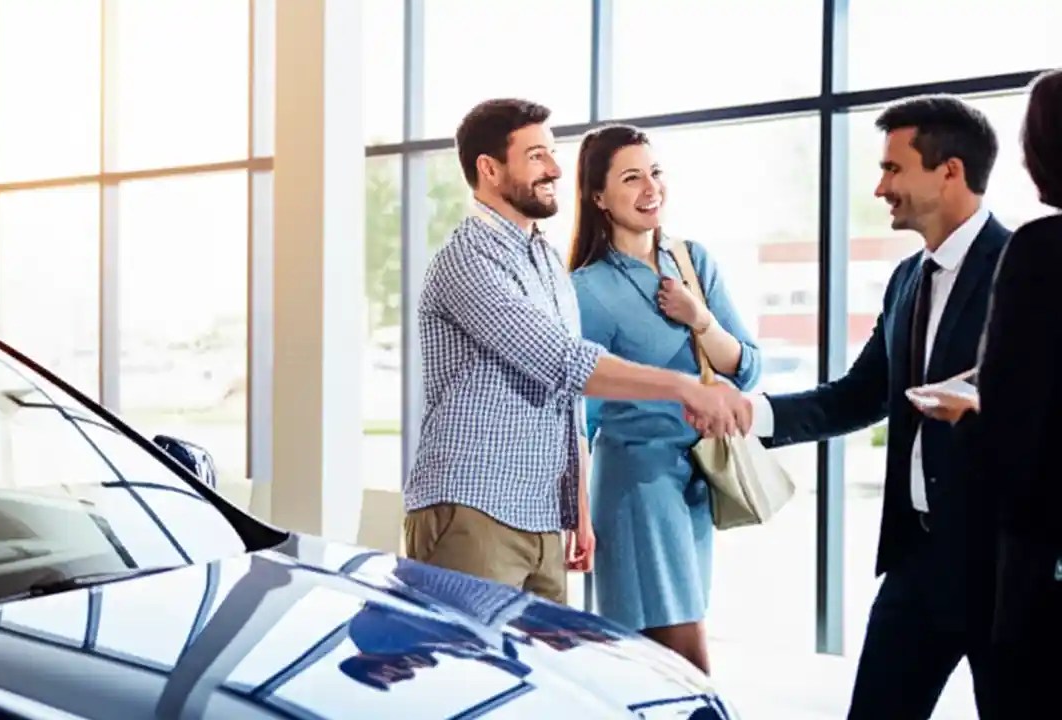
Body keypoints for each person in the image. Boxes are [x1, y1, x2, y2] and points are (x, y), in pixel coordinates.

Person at [403, 98, 751, 607]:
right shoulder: (466, 260)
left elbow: (568, 404)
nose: (555, 169)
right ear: (489, 169)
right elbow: (560, 361)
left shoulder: (542, 257)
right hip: (472, 511)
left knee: (540, 684)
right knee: (467, 681)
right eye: (537, 156)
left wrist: (576, 509)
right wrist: (684, 388)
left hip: (541, 519)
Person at [749, 95, 1009, 717]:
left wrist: (979, 403)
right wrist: (750, 415)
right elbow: (859, 395)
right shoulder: (906, 280)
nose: (880, 186)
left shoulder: (1023, 266)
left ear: (949, 171)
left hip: (1003, 569)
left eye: (894, 169)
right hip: (917, 559)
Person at [566, 124, 761, 673]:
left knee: (656, 663)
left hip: (697, 480)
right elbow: (577, 418)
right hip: (636, 487)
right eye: (631, 178)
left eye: (655, 172)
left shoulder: (693, 262)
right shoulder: (587, 290)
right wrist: (577, 514)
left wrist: (699, 318)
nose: (650, 187)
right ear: (598, 197)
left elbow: (745, 366)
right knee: (687, 657)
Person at [915, 68, 1062, 717]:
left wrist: (965, 413)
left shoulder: (1036, 251)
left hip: (1035, 576)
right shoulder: (907, 279)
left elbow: (1012, 443)